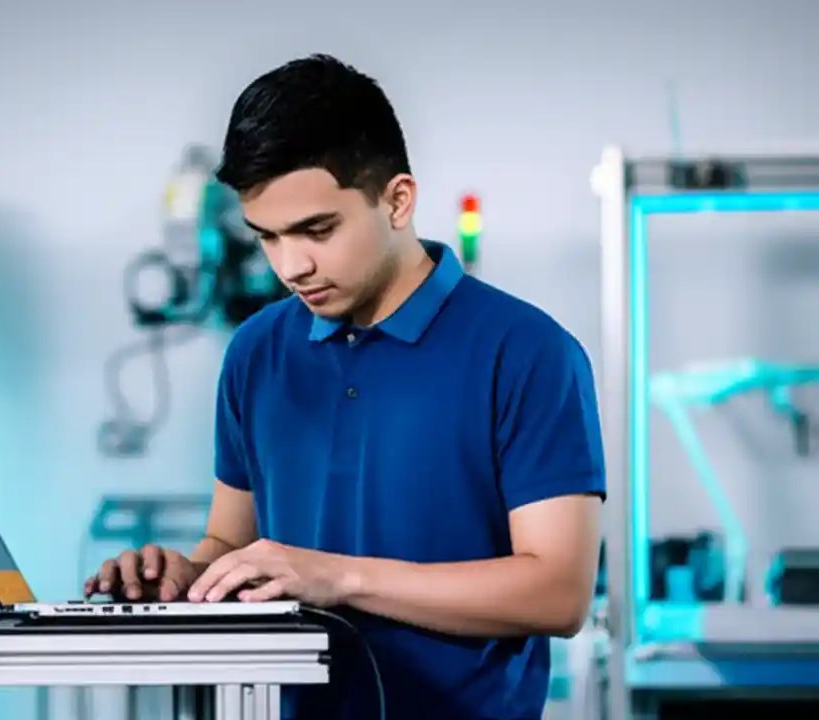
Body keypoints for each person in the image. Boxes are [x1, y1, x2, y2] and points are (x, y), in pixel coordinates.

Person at [85, 54, 605, 720]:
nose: (291, 265)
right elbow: (230, 543)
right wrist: (190, 578)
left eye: (317, 230)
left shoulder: (527, 352)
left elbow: (558, 594)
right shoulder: (257, 352)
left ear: (397, 200)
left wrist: (340, 577)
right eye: (267, 237)